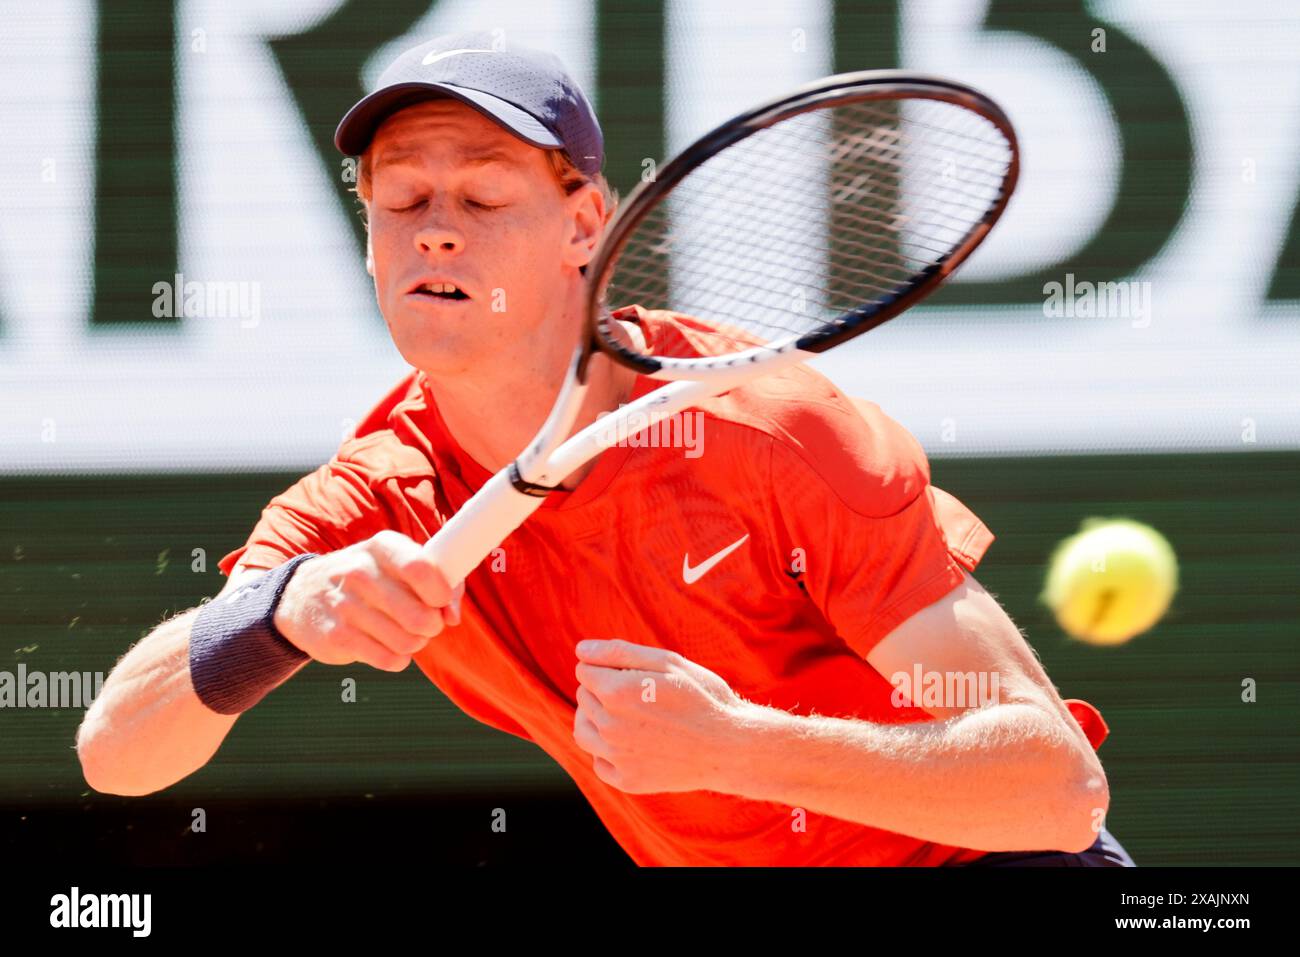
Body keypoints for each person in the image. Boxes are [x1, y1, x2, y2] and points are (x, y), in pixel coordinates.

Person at [77, 31, 1133, 867]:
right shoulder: (376, 498)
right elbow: (118, 754)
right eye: (400, 199)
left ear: (585, 221)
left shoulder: (773, 432)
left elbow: (1053, 792)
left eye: (483, 195)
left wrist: (739, 747)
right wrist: (284, 608)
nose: (434, 230)